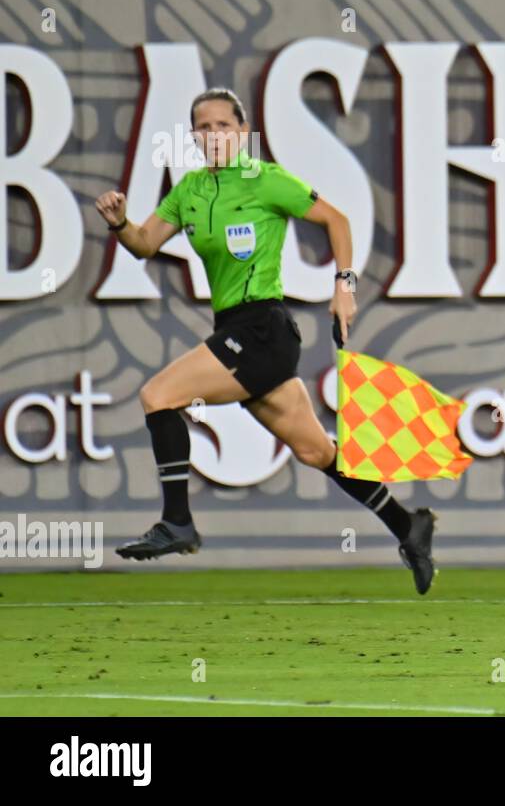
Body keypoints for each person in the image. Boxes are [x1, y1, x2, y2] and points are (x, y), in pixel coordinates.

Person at [95, 87, 438, 594]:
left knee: (157, 396)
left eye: (223, 126)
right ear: (193, 136)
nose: (213, 135)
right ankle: (409, 527)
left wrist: (343, 290)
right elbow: (144, 245)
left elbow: (337, 221)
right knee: (316, 451)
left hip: (263, 329)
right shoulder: (187, 190)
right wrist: (121, 223)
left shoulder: (265, 180)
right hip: (235, 330)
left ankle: (178, 522)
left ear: (243, 132)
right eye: (203, 127)